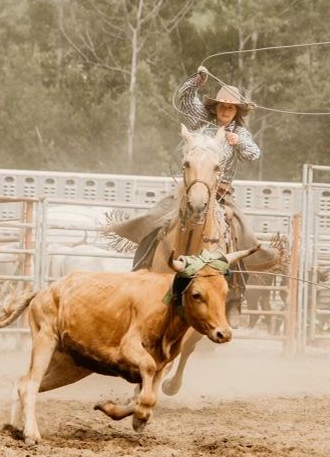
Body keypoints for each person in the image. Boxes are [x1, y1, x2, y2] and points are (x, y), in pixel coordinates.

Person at [109, 67, 277, 300]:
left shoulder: (240, 133)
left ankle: (236, 294)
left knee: (242, 234)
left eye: (231, 107)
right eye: (222, 106)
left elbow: (254, 154)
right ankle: (140, 269)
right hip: (191, 186)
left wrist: (238, 142)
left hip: (221, 192)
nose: (226, 110)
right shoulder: (201, 122)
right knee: (155, 218)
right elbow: (185, 98)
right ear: (216, 107)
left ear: (236, 111)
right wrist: (197, 80)